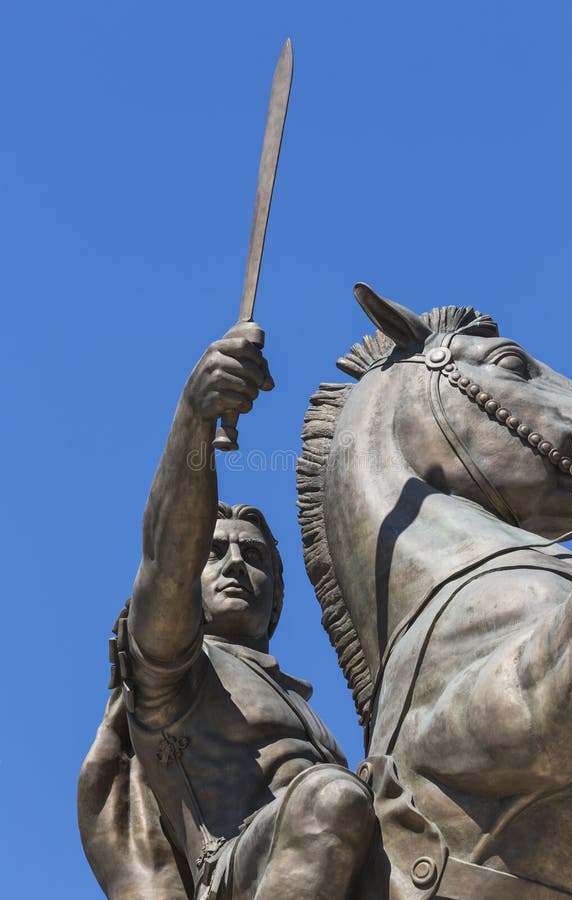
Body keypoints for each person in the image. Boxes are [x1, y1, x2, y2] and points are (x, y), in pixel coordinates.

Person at [78, 323, 379, 900]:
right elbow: (167, 562)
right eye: (215, 552)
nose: (236, 564)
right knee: (332, 798)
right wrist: (196, 416)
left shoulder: (300, 701)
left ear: (277, 602)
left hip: (328, 857)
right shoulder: (172, 672)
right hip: (236, 875)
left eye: (255, 555)